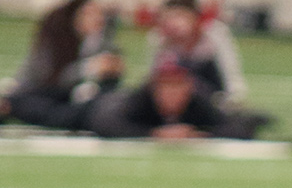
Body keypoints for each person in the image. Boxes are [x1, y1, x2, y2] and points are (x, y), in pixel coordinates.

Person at [3, 0, 124, 130]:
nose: (97, 19)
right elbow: (51, 81)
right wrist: (90, 68)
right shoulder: (56, 41)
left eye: (100, 14)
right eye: (89, 13)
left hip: (79, 104)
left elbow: (108, 89)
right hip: (40, 96)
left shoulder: (105, 45)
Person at [86, 54, 262, 139]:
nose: (171, 93)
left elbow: (238, 127)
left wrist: (199, 135)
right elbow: (103, 121)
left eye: (177, 86)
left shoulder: (199, 101)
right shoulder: (141, 100)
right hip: (103, 101)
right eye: (165, 86)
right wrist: (155, 134)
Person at [148, 0, 249, 106]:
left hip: (212, 98)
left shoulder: (214, 34)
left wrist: (230, 102)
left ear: (195, 18)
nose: (173, 23)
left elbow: (231, 76)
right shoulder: (159, 39)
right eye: (168, 18)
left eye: (179, 16)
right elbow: (154, 78)